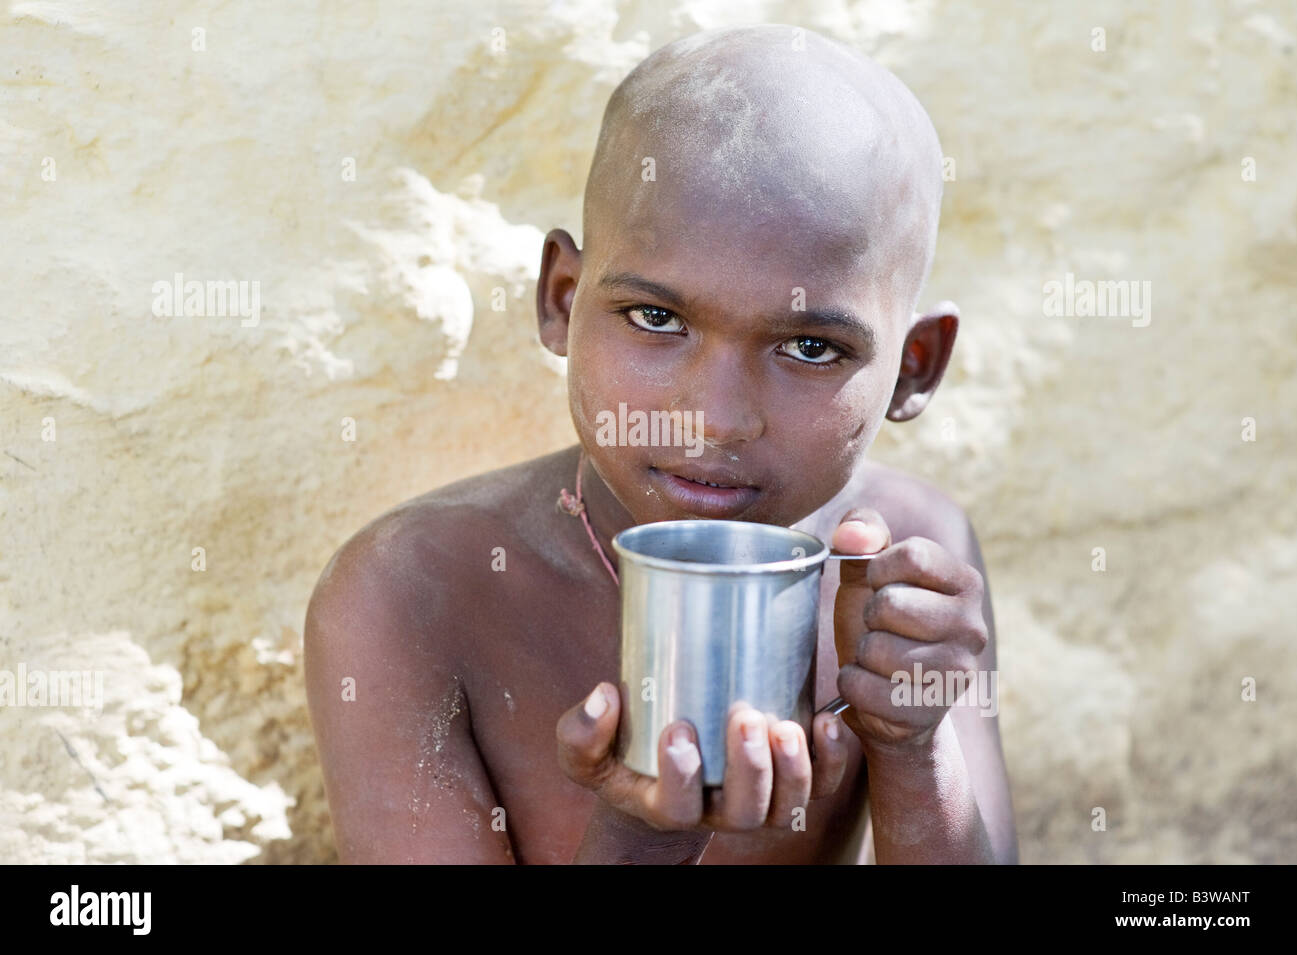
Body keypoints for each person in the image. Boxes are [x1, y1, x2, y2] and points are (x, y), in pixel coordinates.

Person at [304, 23, 1017, 864]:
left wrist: (911, 745)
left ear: (914, 368)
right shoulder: (411, 597)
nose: (714, 419)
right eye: (657, 318)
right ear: (562, 300)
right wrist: (638, 837)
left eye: (810, 347)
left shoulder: (902, 573)